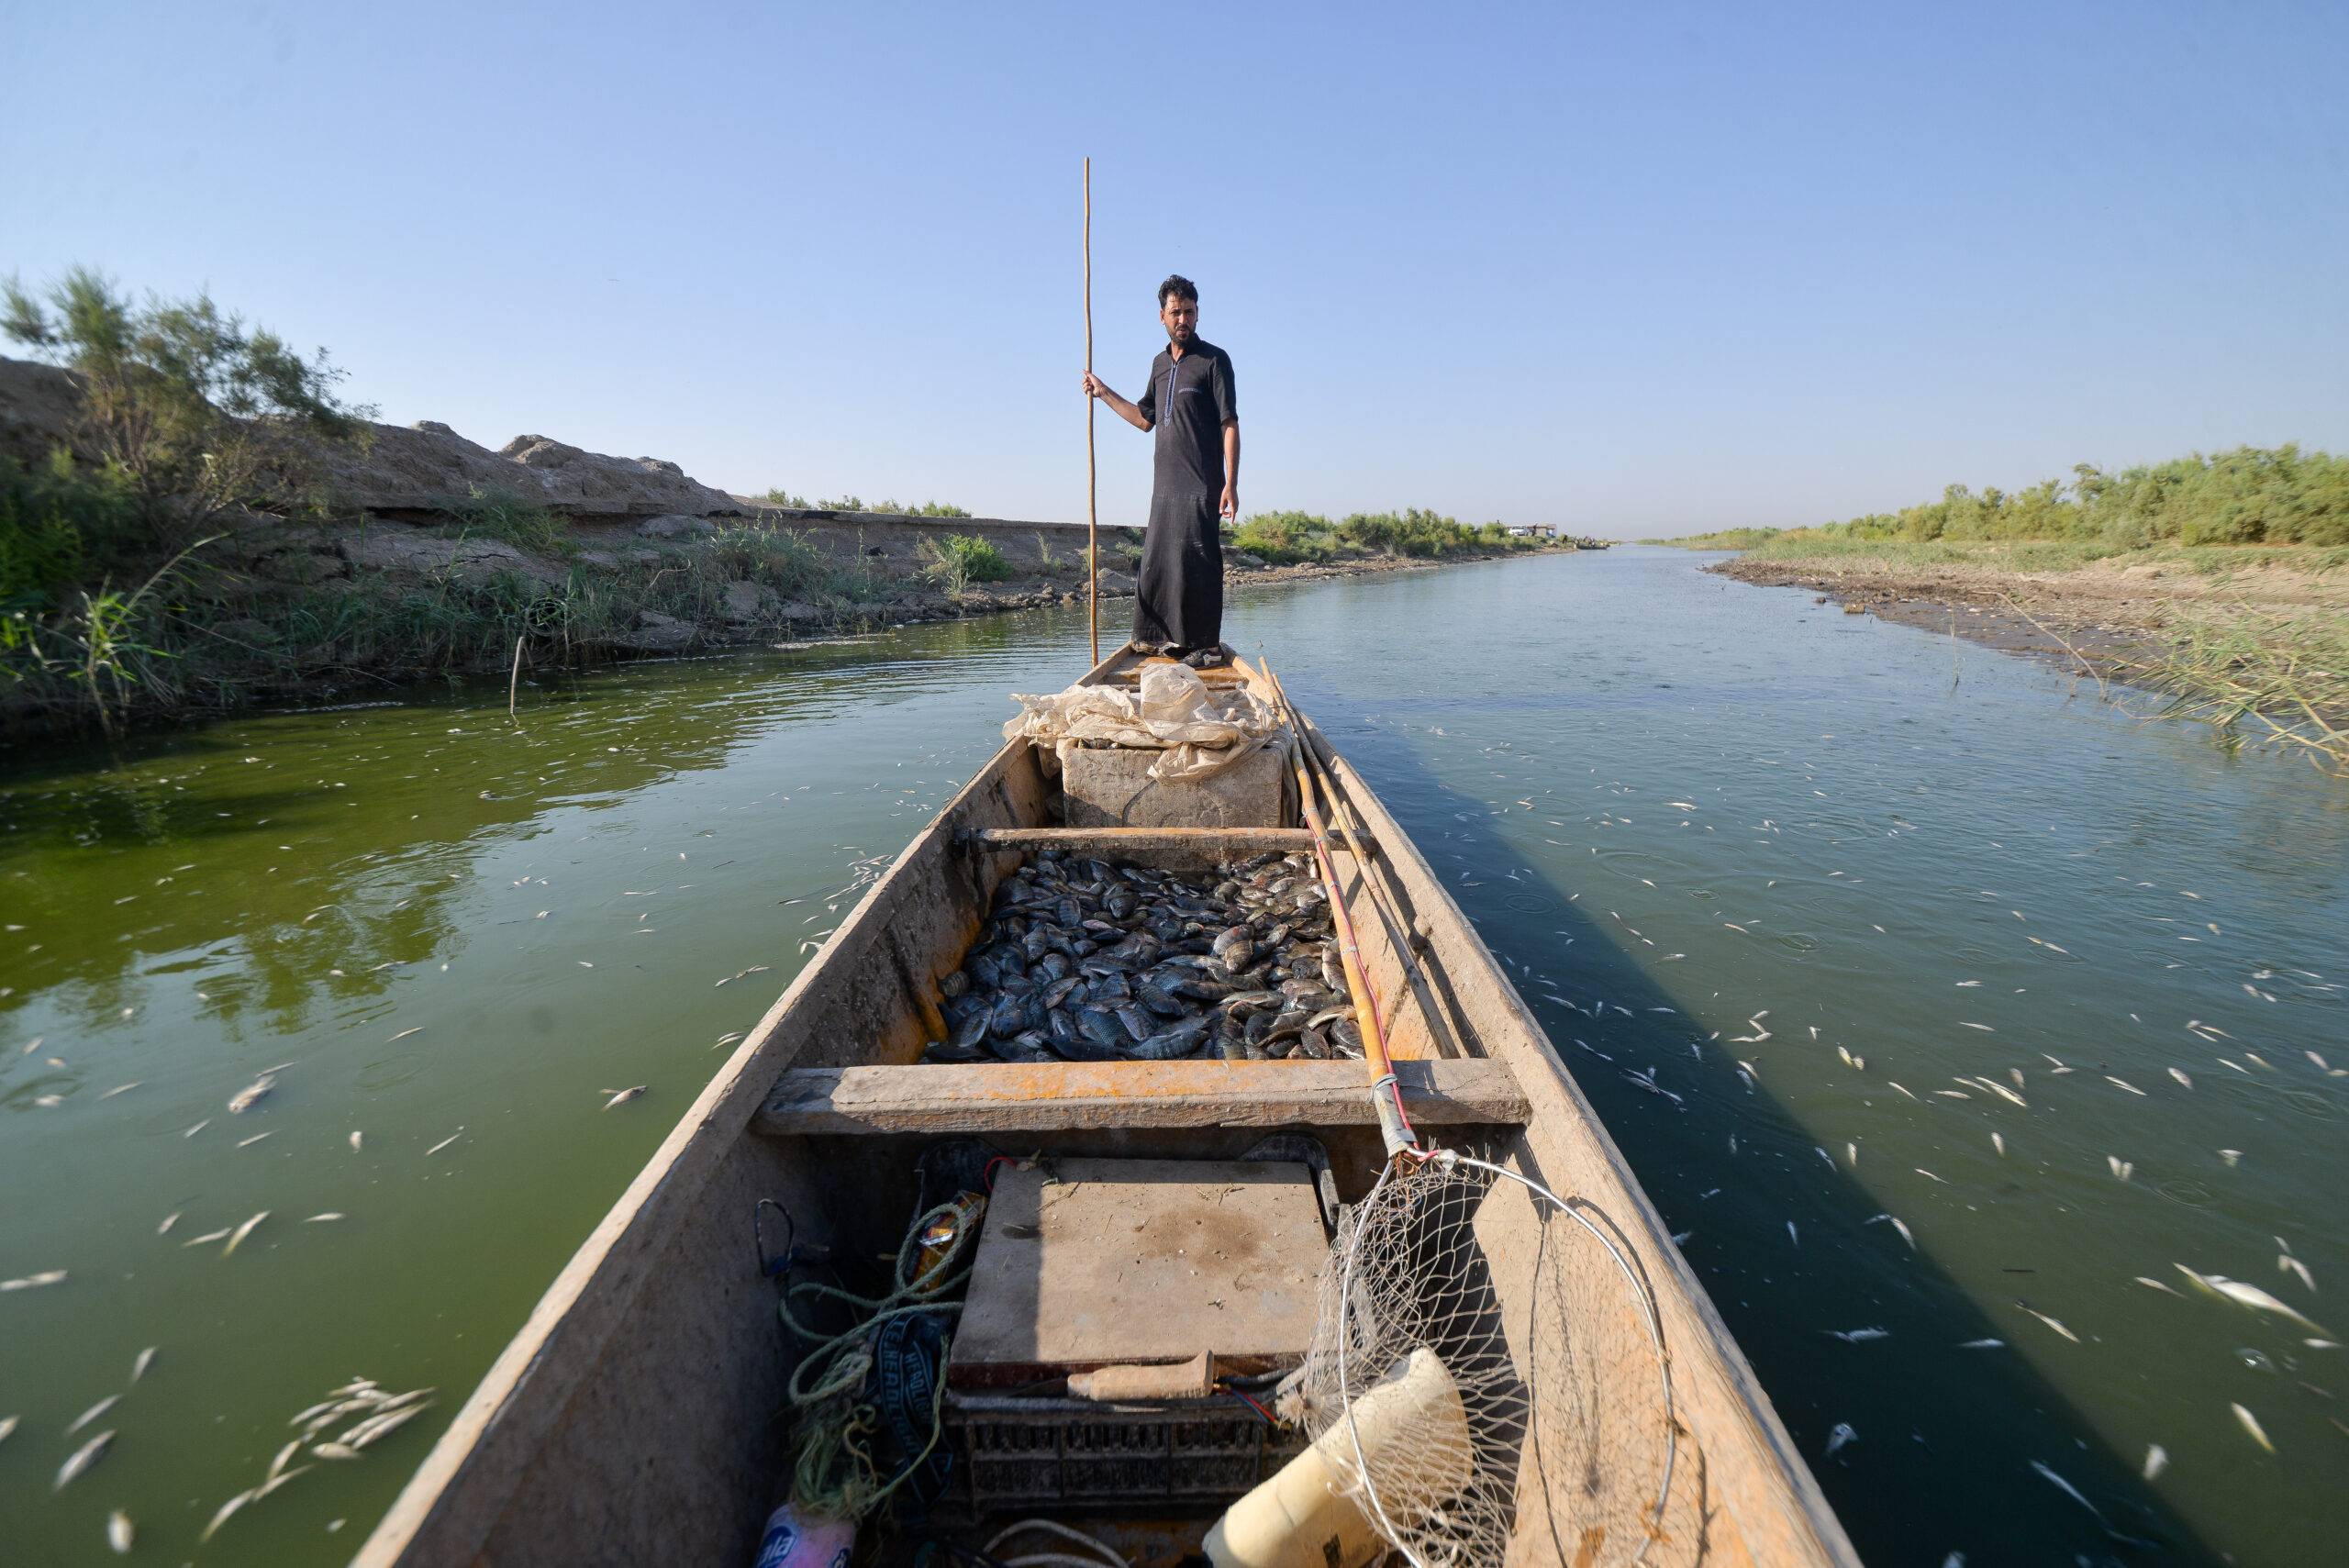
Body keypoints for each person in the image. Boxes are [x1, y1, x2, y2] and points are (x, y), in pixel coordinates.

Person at [1081, 273, 1239, 666]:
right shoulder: (1159, 365)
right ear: (1162, 317)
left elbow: (1229, 423)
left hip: (1203, 483)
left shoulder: (1214, 361)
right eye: (1175, 313)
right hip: (1165, 486)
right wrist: (1103, 393)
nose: (1182, 319)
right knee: (1160, 559)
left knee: (1199, 560)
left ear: (1198, 314)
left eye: (1189, 312)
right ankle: (1165, 638)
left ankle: (1208, 647)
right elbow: (1143, 419)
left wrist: (1231, 484)